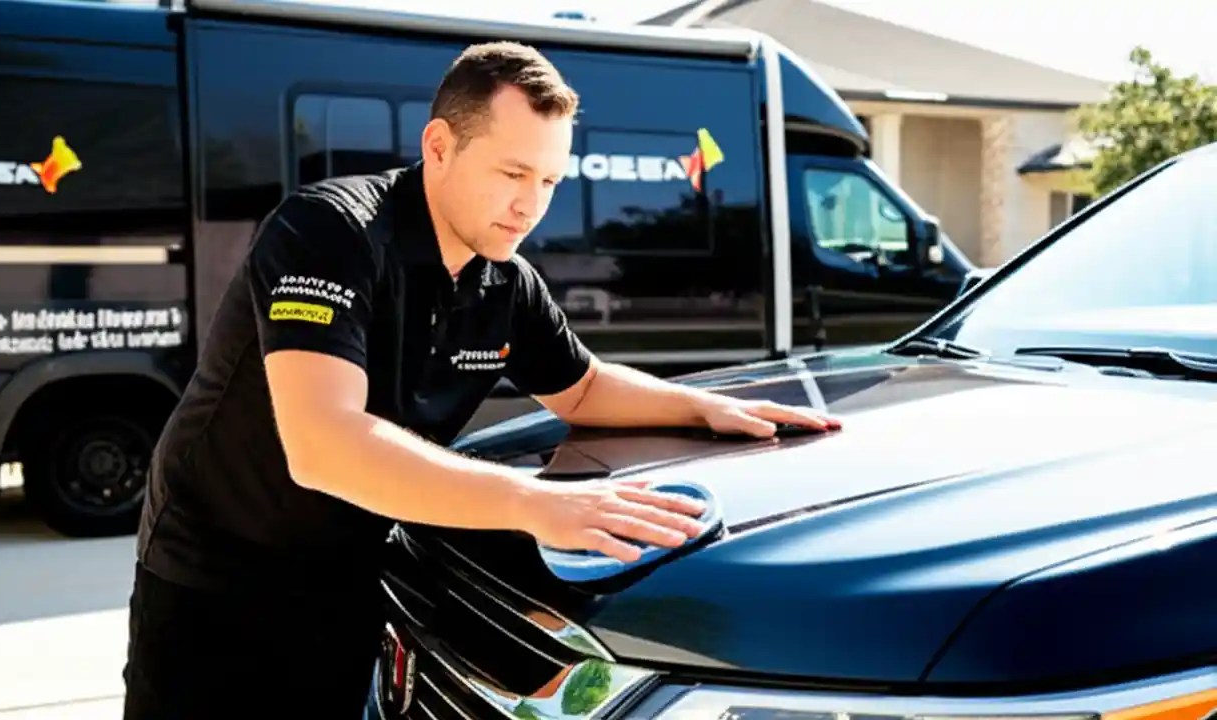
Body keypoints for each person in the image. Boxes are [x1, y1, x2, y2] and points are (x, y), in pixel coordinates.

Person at [121, 40, 841, 719]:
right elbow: (324, 444)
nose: (532, 205)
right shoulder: (329, 232)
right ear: (439, 147)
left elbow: (582, 389)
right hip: (214, 582)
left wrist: (707, 407)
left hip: (347, 581)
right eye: (512, 173)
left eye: (551, 180)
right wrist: (537, 505)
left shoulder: (506, 283)